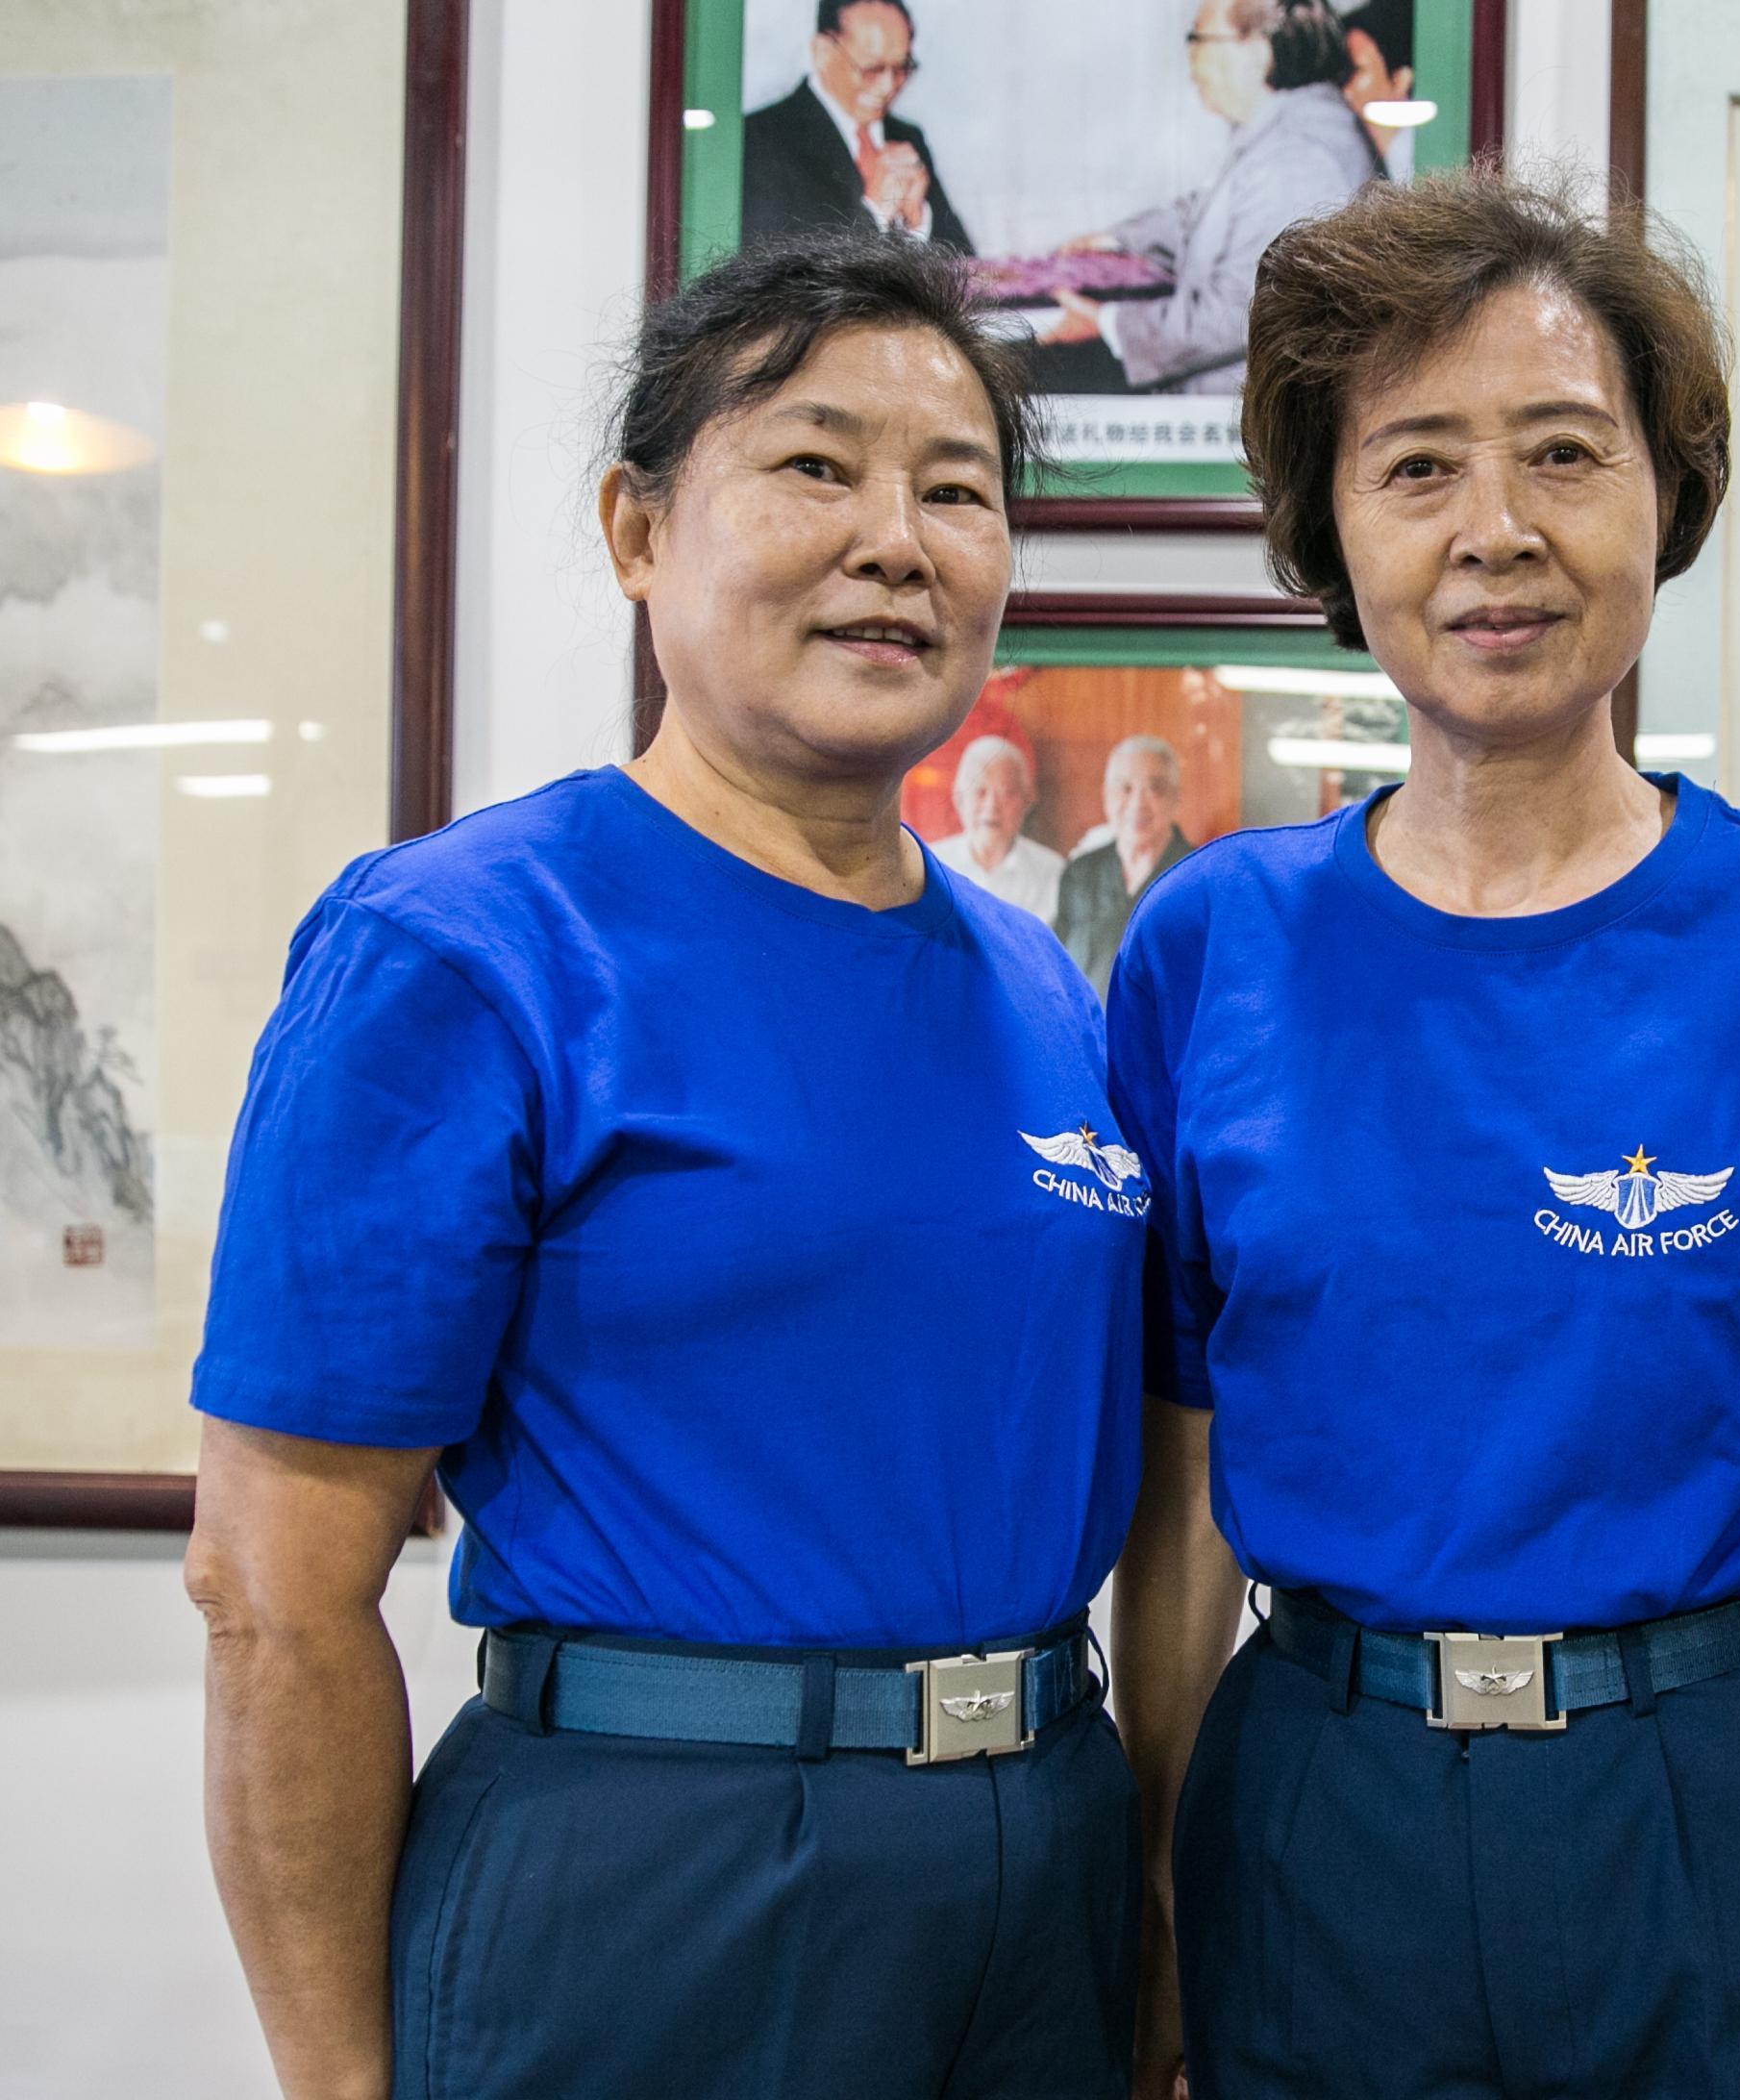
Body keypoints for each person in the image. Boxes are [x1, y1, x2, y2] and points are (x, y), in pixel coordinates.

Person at [182, 228, 1143, 2098]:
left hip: (1044, 1857)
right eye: (814, 463)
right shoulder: (464, 948)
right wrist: (334, 2076)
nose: (898, 538)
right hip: (662, 1872)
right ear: (637, 532)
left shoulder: (1039, 980)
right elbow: (273, 1587)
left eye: (957, 490)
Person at [1106, 167, 1740, 2100]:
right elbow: (1177, 1492)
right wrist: (1157, 1909)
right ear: (1328, 526)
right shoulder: (1209, 948)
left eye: (1562, 454)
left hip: (1732, 1797)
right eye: (1416, 466)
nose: (1493, 532)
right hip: (1319, 1803)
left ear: (1665, 498)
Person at [1028, 0, 1378, 396]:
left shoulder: (1297, 158)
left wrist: (1108, 323)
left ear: (1257, 53)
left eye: (1199, 39)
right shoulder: (1293, 129)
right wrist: (1116, 240)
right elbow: (1213, 213)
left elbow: (1238, 312)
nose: (1190, 57)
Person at [742, 0, 974, 256]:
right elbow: (776, 276)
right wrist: (873, 212)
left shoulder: (908, 138)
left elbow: (968, 268)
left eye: (901, 68)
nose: (888, 86)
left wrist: (919, 223)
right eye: (872, 69)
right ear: (822, 52)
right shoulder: (760, 139)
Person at [1053, 734, 1191, 997]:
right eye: (1125, 788)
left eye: (1156, 788)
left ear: (1177, 799)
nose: (1138, 803)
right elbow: (1060, 971)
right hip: (1093, 1034)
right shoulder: (1079, 873)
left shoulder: (1197, 876)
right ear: (1106, 796)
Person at [931, 732, 1065, 923]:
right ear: (958, 798)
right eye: (980, 792)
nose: (991, 806)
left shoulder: (1053, 873)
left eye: (1007, 793)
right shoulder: (931, 864)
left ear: (1028, 799)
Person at [1336, 2, 1418, 179]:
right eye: (1341, 76)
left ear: (1400, 80)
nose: (1345, 90)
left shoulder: (1421, 161)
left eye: (1357, 72)